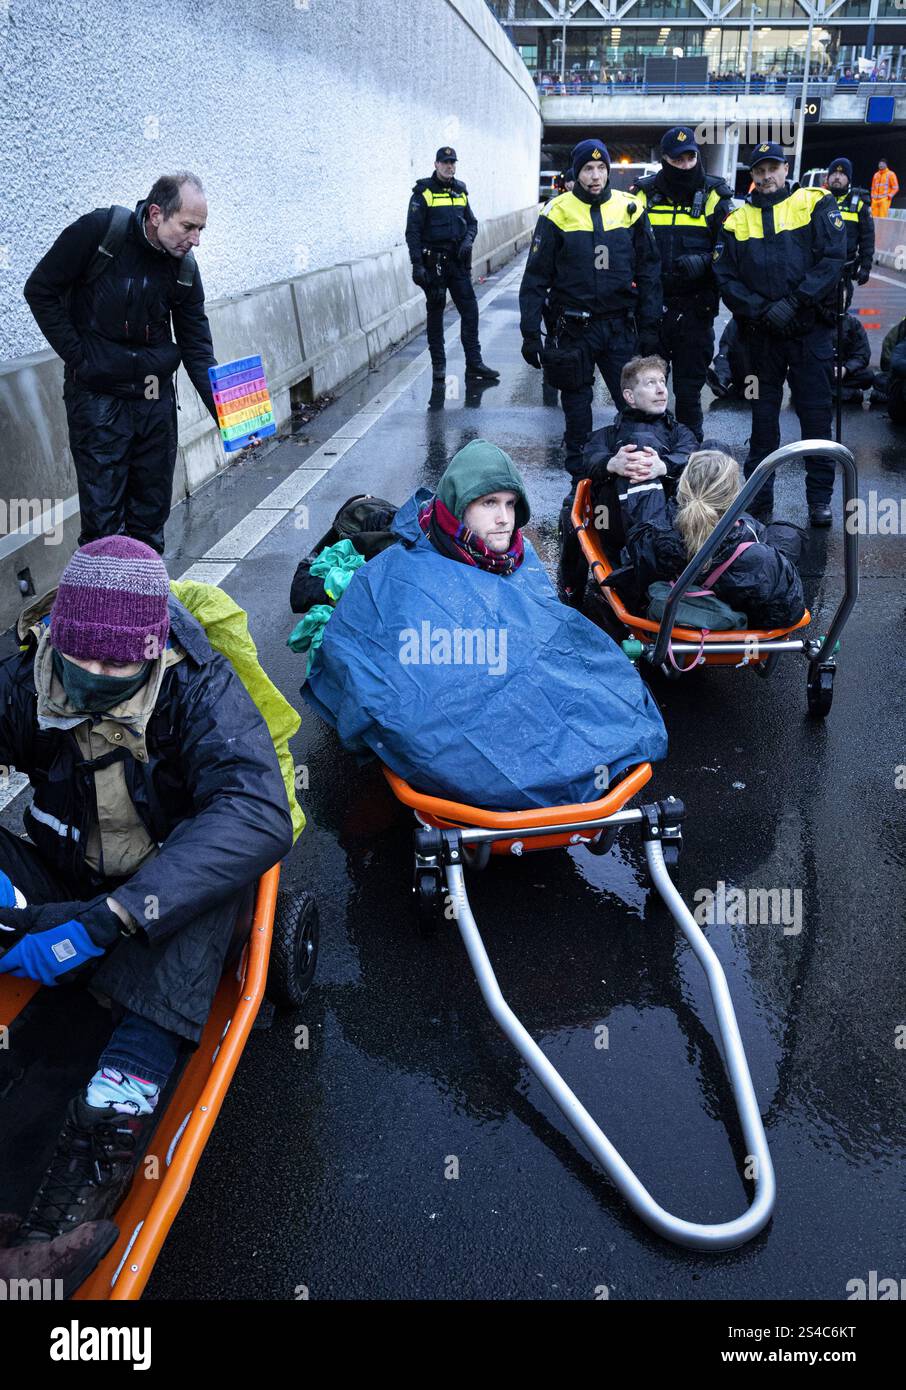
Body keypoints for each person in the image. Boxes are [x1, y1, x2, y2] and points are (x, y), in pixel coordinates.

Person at [0, 537, 295, 1292]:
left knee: (205, 888)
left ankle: (65, 1207)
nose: (96, 679)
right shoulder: (27, 673)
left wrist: (110, 921)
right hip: (64, 874)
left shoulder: (198, 689)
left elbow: (256, 812)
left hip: (156, 899)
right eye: (83, 662)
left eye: (117, 667)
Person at [301, 441, 667, 813]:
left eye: (510, 504)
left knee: (604, 695)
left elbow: (549, 634)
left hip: (510, 693)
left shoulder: (516, 559)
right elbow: (364, 654)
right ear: (459, 507)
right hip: (451, 701)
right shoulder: (397, 570)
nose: (504, 518)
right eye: (489, 503)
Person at [23, 173, 219, 555]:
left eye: (201, 229)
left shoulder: (184, 268)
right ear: (157, 214)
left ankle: (143, 610)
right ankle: (102, 611)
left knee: (149, 523)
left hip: (153, 399)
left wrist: (231, 416)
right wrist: (80, 356)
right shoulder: (101, 232)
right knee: (103, 528)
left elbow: (196, 347)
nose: (195, 239)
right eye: (188, 226)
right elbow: (40, 289)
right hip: (97, 401)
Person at [712, 143, 846, 528]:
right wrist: (761, 309)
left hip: (809, 333)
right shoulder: (736, 219)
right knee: (762, 423)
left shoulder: (813, 203)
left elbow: (832, 259)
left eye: (773, 168)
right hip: (761, 338)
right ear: (751, 175)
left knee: (816, 421)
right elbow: (725, 277)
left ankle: (819, 501)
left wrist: (795, 302)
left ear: (786, 169)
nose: (766, 176)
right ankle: (760, 500)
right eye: (759, 170)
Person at [519, 138, 661, 482]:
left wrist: (651, 323)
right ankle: (580, 483)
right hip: (573, 330)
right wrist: (529, 332)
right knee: (577, 410)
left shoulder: (631, 209)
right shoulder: (557, 212)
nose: (595, 176)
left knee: (634, 405)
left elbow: (649, 271)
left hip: (618, 327)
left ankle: (640, 476)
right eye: (587, 169)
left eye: (601, 168)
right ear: (576, 172)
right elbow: (536, 276)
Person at [559, 355, 700, 602]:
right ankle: (574, 591)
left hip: (674, 525)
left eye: (662, 382)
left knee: (714, 452)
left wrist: (662, 466)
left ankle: (651, 551)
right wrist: (611, 464)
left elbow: (693, 457)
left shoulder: (680, 433)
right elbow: (589, 459)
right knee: (572, 506)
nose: (660, 390)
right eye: (650, 383)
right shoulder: (607, 436)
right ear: (630, 397)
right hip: (617, 526)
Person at [617, 450, 806, 631]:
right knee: (788, 533)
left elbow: (637, 579)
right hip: (737, 628)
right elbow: (787, 613)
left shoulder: (651, 535)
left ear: (683, 487)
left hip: (669, 620)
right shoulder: (761, 558)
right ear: (735, 495)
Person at [630, 127, 734, 440]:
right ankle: (651, 469)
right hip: (652, 313)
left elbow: (731, 250)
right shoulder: (643, 193)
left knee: (689, 398)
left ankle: (691, 471)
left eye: (691, 157)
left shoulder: (715, 194)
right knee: (649, 399)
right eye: (678, 159)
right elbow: (627, 248)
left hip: (695, 312)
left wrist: (704, 262)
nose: (686, 164)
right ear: (665, 159)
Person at [405, 146, 499, 386]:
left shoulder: (460, 191)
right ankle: (439, 365)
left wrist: (468, 240)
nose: (450, 166)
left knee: (470, 311)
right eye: (445, 162)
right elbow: (412, 232)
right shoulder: (423, 192)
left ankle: (474, 364)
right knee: (435, 316)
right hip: (434, 265)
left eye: (453, 162)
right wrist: (417, 265)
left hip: (457, 264)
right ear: (436, 164)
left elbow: (472, 223)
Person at [826, 157, 874, 306]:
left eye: (842, 174)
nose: (837, 177)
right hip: (819, 268)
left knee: (840, 313)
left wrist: (865, 267)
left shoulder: (859, 204)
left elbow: (867, 238)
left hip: (844, 270)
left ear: (849, 178)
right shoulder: (819, 200)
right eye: (833, 174)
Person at [707, 318, 753, 399]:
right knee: (728, 346)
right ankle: (721, 381)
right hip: (744, 370)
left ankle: (722, 379)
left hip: (761, 377)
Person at [836, 311, 874, 404]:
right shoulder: (815, 320)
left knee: (867, 376)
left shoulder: (852, 322)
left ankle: (835, 393)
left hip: (843, 371)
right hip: (820, 371)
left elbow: (862, 354)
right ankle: (849, 394)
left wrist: (847, 369)